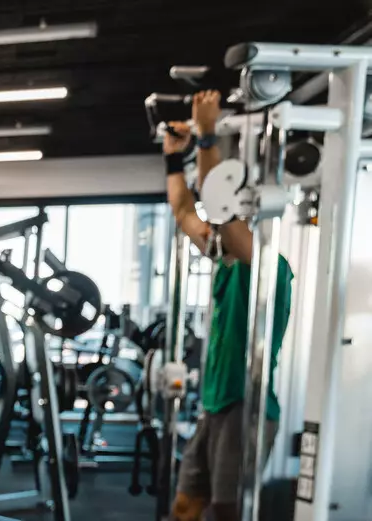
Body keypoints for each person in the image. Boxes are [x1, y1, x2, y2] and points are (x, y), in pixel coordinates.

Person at [163, 90, 294, 521]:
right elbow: (184, 213)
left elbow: (217, 209)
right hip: (214, 405)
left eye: (224, 218)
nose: (212, 228)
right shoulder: (223, 258)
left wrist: (206, 136)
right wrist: (172, 158)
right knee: (185, 506)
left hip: (246, 407)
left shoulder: (266, 266)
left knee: (225, 512)